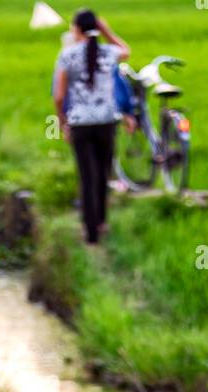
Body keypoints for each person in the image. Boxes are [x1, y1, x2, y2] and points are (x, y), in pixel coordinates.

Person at [54, 10, 130, 243]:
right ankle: (101, 221)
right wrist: (106, 30)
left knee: (87, 177)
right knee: (103, 173)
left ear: (77, 30)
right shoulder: (108, 53)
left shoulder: (67, 55)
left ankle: (91, 232)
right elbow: (126, 51)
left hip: (80, 123)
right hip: (107, 121)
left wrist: (63, 121)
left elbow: (59, 95)